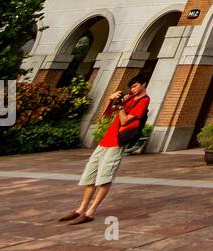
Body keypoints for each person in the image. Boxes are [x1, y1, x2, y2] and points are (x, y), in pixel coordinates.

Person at [59, 75, 151, 225]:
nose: (132, 89)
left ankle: (91, 211)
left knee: (105, 177)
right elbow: (106, 115)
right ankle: (81, 209)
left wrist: (120, 106)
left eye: (135, 86)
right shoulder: (128, 98)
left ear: (143, 84)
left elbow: (125, 120)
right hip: (105, 141)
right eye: (131, 87)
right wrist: (110, 99)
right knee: (91, 175)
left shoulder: (144, 100)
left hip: (117, 143)